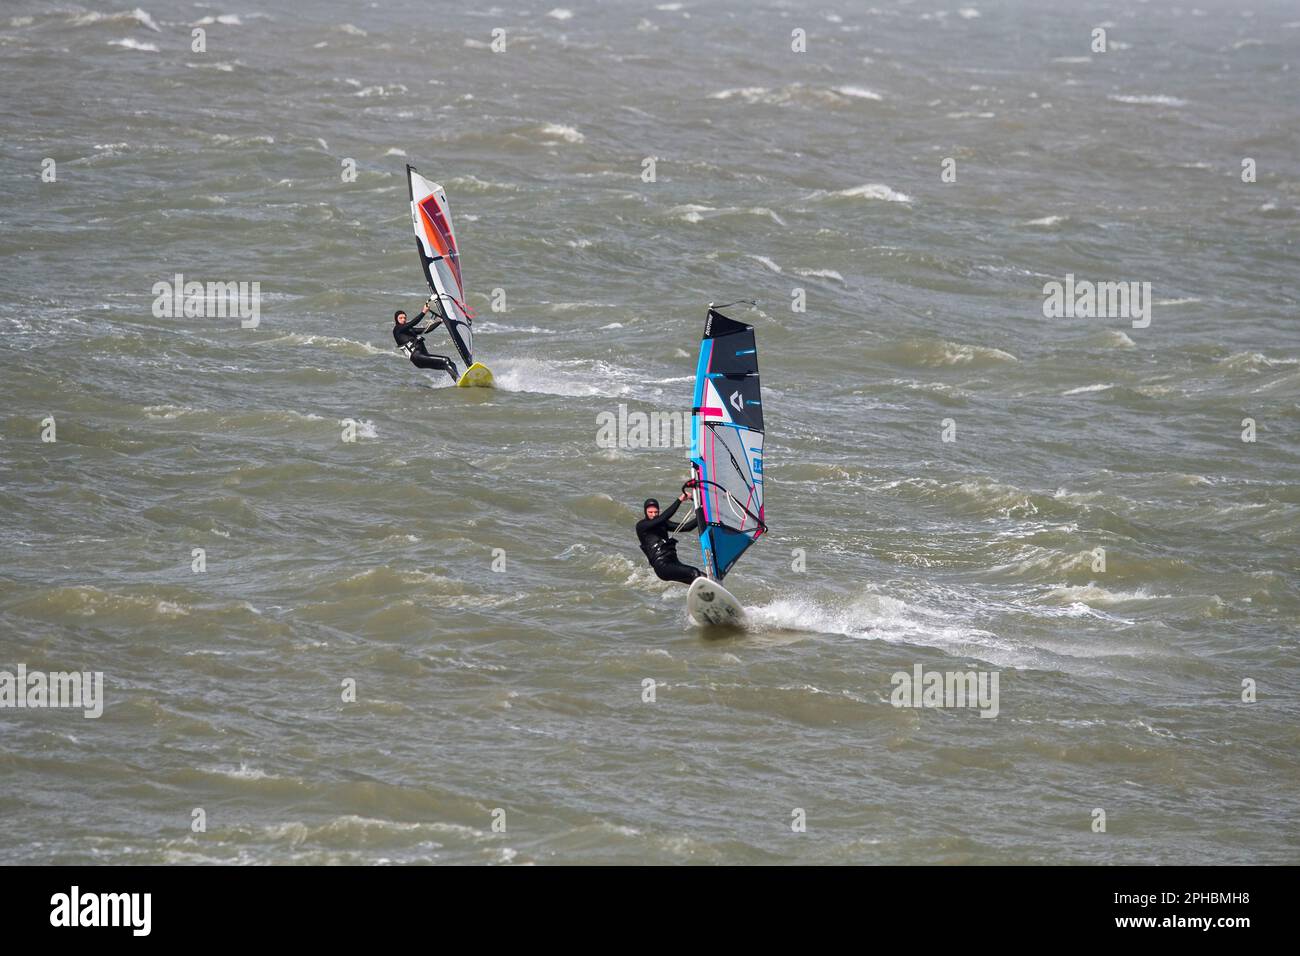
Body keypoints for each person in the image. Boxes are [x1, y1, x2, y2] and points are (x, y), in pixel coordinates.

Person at [636, 482, 704, 585]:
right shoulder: (642, 526)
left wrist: (703, 514)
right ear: (645, 512)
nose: (654, 515)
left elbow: (686, 527)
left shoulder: (663, 523)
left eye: (656, 512)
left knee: (702, 577)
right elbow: (664, 517)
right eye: (650, 512)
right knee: (694, 572)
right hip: (662, 566)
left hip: (674, 562)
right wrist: (679, 500)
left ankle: (711, 597)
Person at [393, 298, 459, 382]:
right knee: (445, 360)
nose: (403, 319)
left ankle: (459, 379)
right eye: (400, 318)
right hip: (417, 357)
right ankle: (458, 380)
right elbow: (413, 322)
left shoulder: (409, 330)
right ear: (396, 320)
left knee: (450, 363)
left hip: (423, 357)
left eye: (404, 318)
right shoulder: (397, 329)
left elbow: (426, 329)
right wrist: (423, 312)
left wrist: (440, 321)